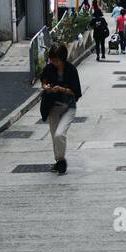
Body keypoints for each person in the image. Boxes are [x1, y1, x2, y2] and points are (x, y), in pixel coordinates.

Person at [39, 41, 82, 175]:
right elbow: (44, 80)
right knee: (54, 136)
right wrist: (46, 87)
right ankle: (59, 161)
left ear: (63, 59)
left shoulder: (71, 70)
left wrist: (62, 89)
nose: (54, 63)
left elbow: (76, 92)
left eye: (56, 60)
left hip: (68, 107)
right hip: (53, 107)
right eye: (52, 60)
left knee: (59, 134)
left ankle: (61, 160)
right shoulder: (49, 67)